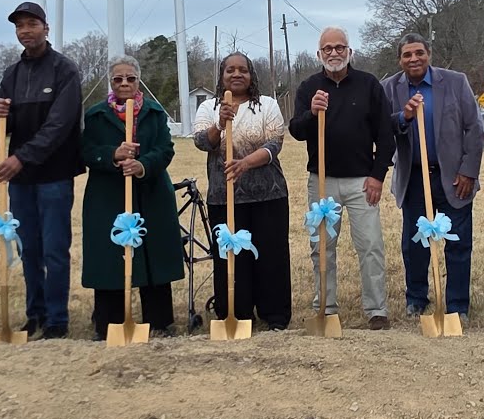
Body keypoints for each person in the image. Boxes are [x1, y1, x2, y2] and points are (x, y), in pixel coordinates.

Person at [289, 27, 395, 330]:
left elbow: (385, 136)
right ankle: (326, 306)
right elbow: (296, 130)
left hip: (362, 181)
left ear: (350, 51)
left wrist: (377, 176)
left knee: (371, 245)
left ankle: (377, 310)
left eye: (339, 47)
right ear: (319, 53)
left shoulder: (369, 85)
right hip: (322, 182)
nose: (333, 53)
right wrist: (311, 112)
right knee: (322, 245)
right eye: (327, 49)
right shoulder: (310, 87)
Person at [0, 2, 83, 339]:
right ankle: (36, 314)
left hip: (54, 175)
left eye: (32, 24)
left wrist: (22, 157)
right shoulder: (11, 75)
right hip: (22, 180)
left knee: (54, 249)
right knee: (28, 248)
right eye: (20, 26)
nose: (25, 31)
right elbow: (7, 124)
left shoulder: (64, 70)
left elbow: (59, 125)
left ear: (46, 27)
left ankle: (57, 320)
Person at [380, 33, 483, 322]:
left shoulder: (455, 82)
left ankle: (457, 305)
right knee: (415, 244)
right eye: (407, 55)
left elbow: (474, 129)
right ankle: (416, 299)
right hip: (413, 178)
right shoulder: (388, 88)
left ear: (429, 54)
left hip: (453, 176)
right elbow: (381, 128)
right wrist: (404, 117)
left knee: (459, 242)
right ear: (399, 59)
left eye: (419, 53)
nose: (413, 59)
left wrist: (469, 171)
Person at [81, 55, 184, 339]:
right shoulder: (96, 115)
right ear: (111, 83)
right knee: (111, 257)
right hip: (109, 196)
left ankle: (160, 321)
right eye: (118, 79)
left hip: (150, 193)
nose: (124, 83)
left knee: (153, 255)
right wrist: (111, 155)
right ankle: (109, 322)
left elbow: (165, 149)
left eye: (130, 78)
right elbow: (86, 152)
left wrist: (142, 165)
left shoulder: (153, 113)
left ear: (138, 81)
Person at [192, 52, 291, 330]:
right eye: (230, 70)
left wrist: (245, 163)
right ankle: (236, 312)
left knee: (271, 256)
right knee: (231, 258)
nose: (237, 75)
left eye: (243, 70)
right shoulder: (209, 108)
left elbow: (274, 144)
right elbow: (202, 142)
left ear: (251, 75)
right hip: (225, 198)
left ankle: (275, 315)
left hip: (268, 195)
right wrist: (220, 125)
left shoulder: (268, 105)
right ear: (222, 75)